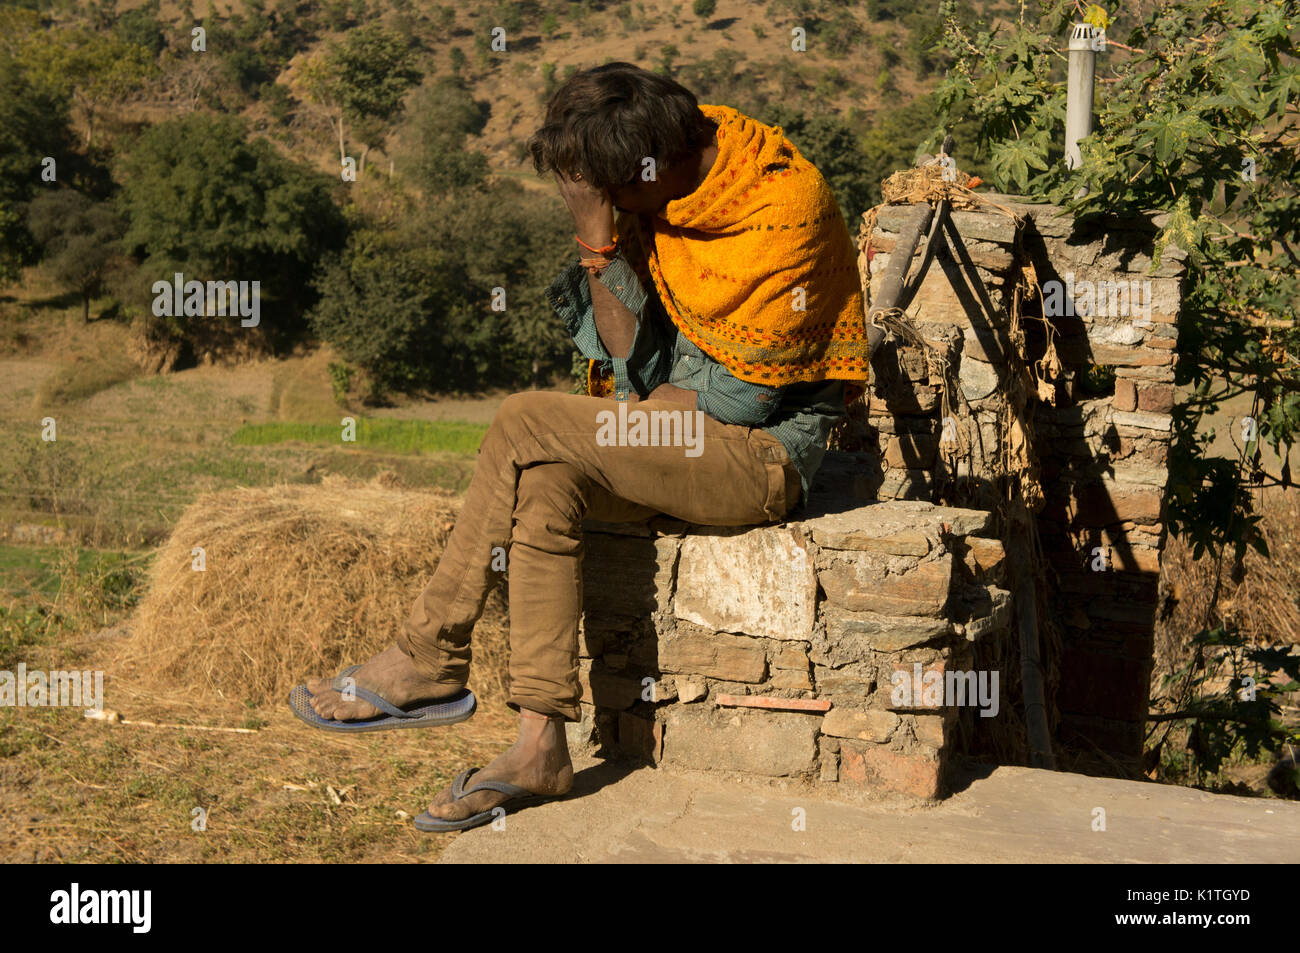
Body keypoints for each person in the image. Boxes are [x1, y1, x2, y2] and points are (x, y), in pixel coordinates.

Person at [290, 62, 874, 832]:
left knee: (525, 420)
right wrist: (599, 240)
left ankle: (428, 653)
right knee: (544, 481)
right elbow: (628, 359)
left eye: (607, 198)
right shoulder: (659, 193)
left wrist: (643, 413)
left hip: (757, 457)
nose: (603, 211)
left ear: (652, 168)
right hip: (675, 439)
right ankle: (541, 745)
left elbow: (741, 399)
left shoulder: (777, 205)